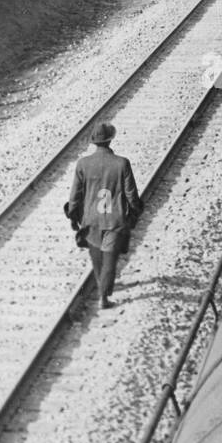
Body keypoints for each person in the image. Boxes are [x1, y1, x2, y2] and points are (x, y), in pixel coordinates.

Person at [64, 122, 142, 310]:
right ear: (110, 140)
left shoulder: (83, 164)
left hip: (91, 220)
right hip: (114, 220)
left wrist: (73, 216)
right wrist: (135, 212)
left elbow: (75, 196)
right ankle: (104, 296)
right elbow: (131, 194)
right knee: (110, 259)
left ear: (93, 142)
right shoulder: (122, 163)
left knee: (96, 257)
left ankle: (103, 289)